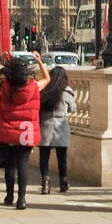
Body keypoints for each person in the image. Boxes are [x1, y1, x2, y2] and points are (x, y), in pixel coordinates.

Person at [0, 52, 50, 209]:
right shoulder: (34, 87)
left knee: (10, 165)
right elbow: (48, 79)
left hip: (8, 132)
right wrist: (39, 61)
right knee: (23, 164)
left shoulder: (4, 86)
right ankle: (21, 199)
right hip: (26, 133)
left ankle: (9, 196)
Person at [38, 65, 76, 193]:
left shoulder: (44, 90)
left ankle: (45, 184)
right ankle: (63, 182)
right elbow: (72, 108)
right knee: (62, 157)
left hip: (45, 124)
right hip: (61, 126)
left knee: (44, 156)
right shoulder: (67, 92)